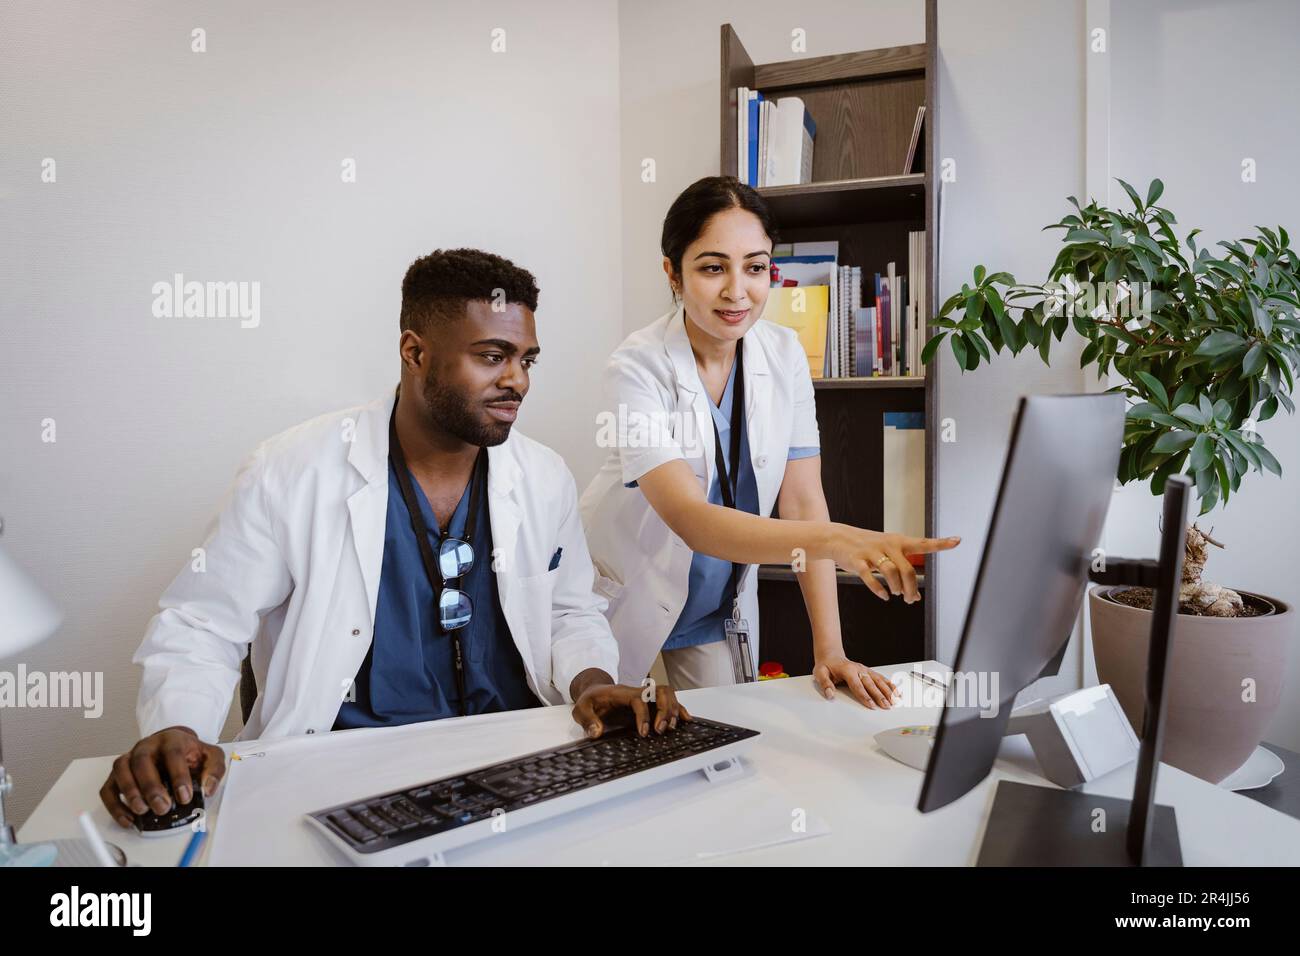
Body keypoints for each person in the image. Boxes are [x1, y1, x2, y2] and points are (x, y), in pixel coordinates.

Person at [99, 248, 686, 828]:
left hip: (517, 757)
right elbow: (202, 625)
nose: (517, 381)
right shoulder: (292, 470)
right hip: (345, 772)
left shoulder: (543, 477)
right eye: (492, 356)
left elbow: (569, 612)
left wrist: (593, 684)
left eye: (527, 360)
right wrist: (178, 727)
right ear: (414, 352)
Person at [580, 177, 961, 707]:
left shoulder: (783, 353)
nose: (738, 291)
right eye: (713, 267)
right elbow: (687, 517)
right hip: (627, 597)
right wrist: (838, 540)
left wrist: (829, 648)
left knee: (722, 752)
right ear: (673, 272)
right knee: (606, 750)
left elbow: (802, 501)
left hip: (715, 608)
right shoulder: (636, 367)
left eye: (755, 267)